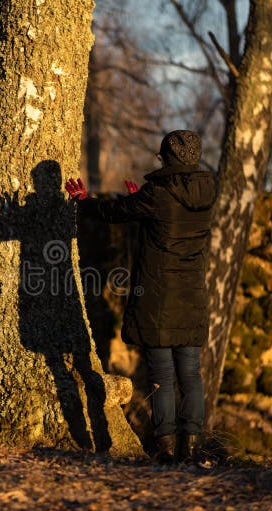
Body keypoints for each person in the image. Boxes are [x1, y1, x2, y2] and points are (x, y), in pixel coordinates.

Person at [64, 130, 217, 464]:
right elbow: (167, 224)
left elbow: (114, 212)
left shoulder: (158, 193)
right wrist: (142, 203)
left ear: (169, 158)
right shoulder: (208, 190)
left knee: (162, 374)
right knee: (190, 373)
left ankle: (164, 447)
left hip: (160, 298)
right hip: (192, 294)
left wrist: (85, 202)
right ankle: (191, 445)